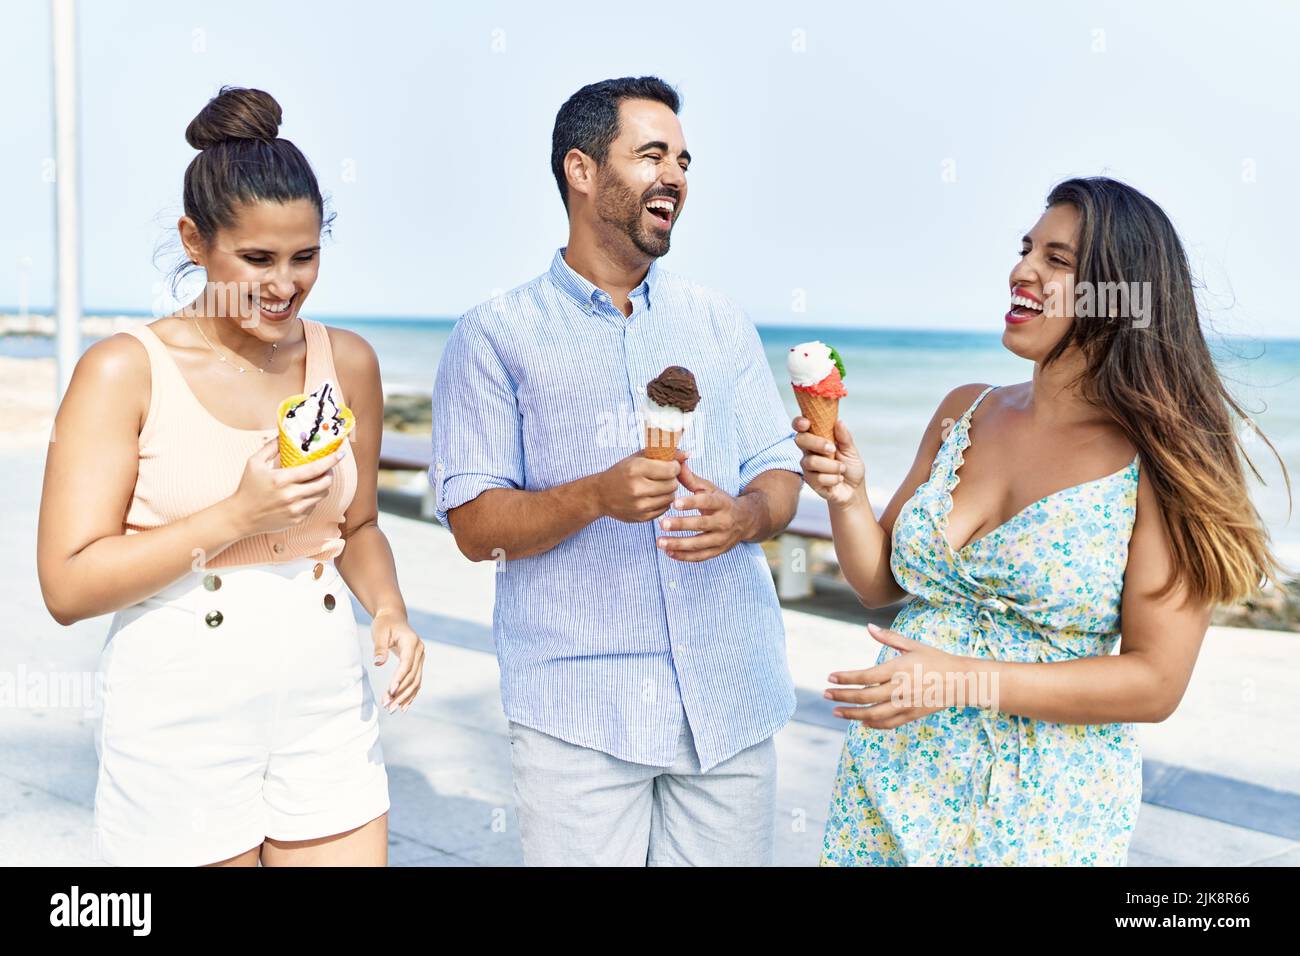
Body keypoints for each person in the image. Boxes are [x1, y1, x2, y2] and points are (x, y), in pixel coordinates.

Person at [804, 176, 1290, 866]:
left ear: (1117, 295)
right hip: (892, 780)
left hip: (1041, 811)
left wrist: (958, 680)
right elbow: (878, 584)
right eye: (1027, 248)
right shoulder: (964, 411)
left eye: (1058, 261)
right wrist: (847, 494)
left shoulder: (1159, 459)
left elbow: (1156, 682)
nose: (1022, 269)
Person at [36, 86, 425, 867]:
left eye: (305, 256)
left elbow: (357, 529)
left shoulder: (344, 362)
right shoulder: (125, 372)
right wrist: (236, 515)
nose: (285, 284)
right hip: (179, 714)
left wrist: (387, 607)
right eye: (257, 259)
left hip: (324, 706)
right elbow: (67, 588)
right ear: (193, 240)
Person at [430, 76, 803, 866]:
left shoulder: (718, 321)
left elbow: (777, 468)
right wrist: (595, 495)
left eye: (684, 159)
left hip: (730, 698)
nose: (676, 176)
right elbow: (474, 525)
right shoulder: (493, 335)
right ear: (583, 170)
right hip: (580, 714)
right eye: (651, 155)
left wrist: (746, 517)